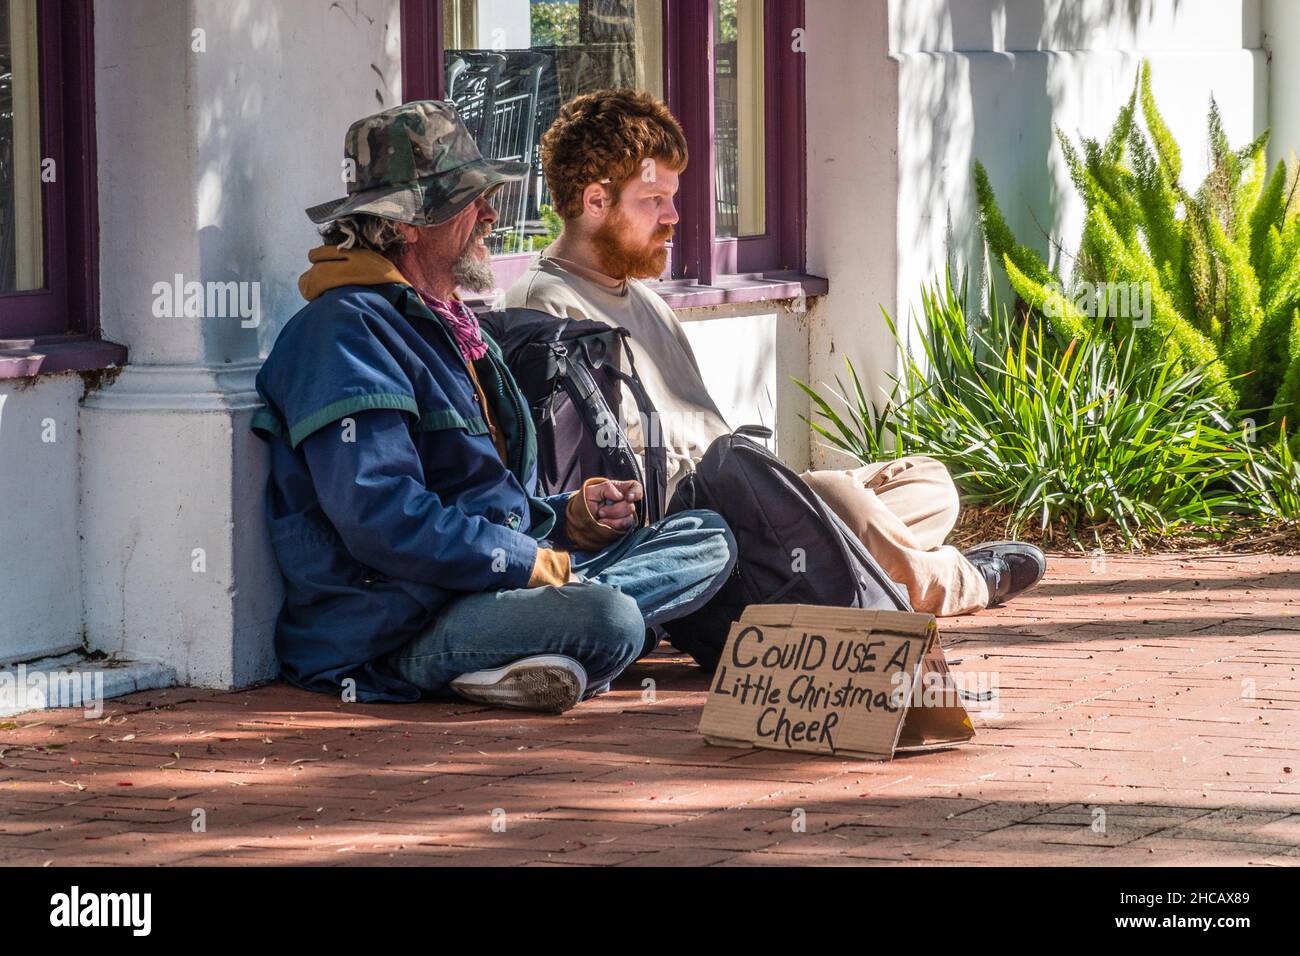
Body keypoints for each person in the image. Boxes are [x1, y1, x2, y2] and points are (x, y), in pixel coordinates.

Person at [250, 101, 736, 714]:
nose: (490, 212)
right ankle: (525, 644)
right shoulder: (343, 333)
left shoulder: (445, 322)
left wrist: (569, 518)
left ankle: (528, 651)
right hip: (397, 625)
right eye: (469, 200)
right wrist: (531, 563)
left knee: (706, 536)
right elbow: (384, 519)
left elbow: (486, 502)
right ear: (406, 224)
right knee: (608, 617)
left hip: (486, 583)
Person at [503, 89, 1045, 617]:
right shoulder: (545, 307)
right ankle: (949, 582)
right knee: (835, 495)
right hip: (691, 525)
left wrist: (775, 490)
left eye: (672, 198)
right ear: (596, 201)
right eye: (653, 201)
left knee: (927, 482)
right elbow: (584, 478)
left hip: (751, 495)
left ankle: (851, 566)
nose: (673, 217)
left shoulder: (643, 299)